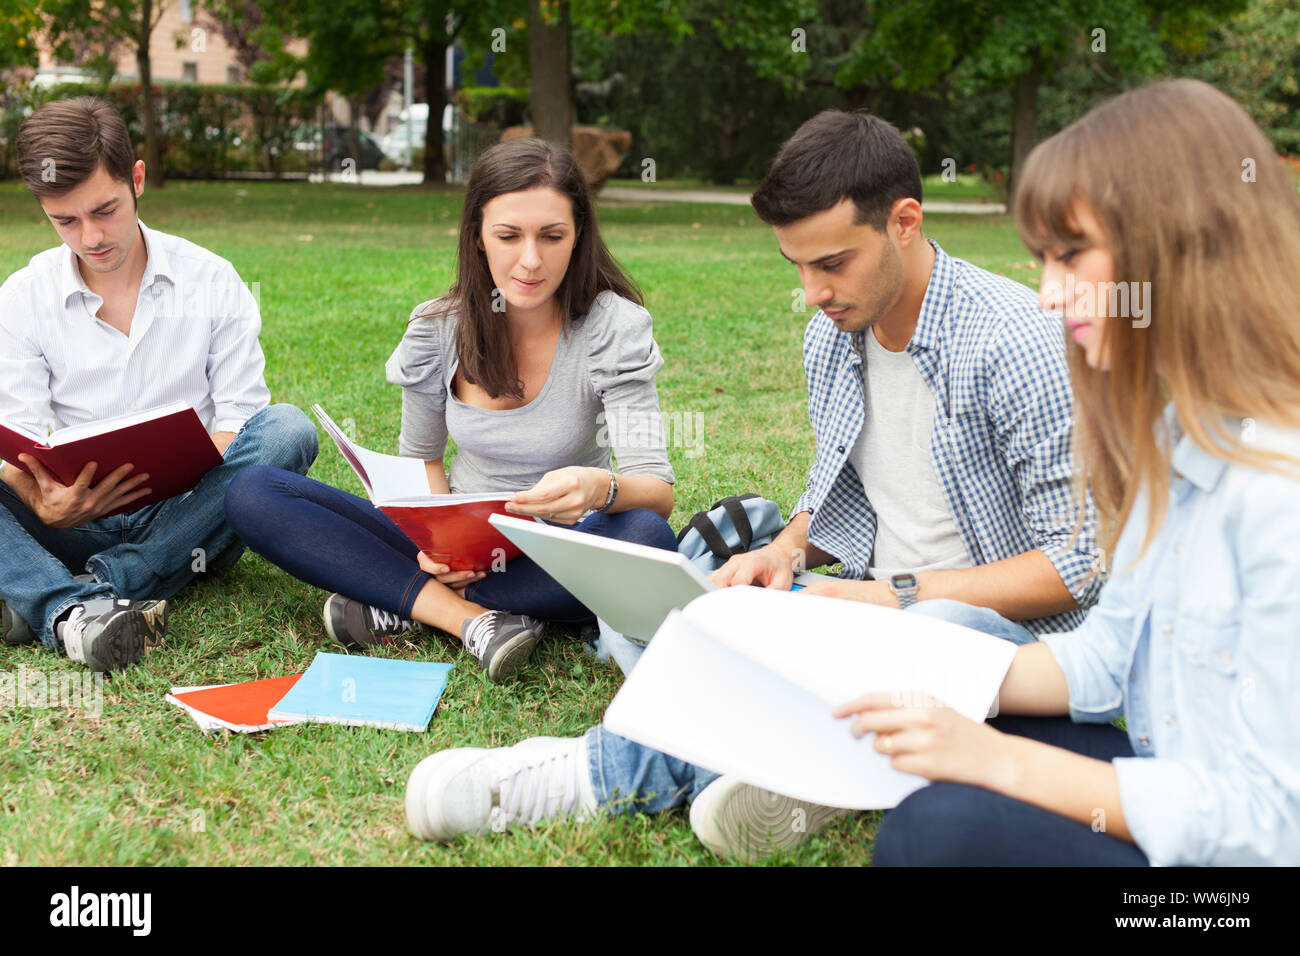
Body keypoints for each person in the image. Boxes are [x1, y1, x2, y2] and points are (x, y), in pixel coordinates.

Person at [402, 109, 1105, 849]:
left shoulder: (1016, 342)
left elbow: (1078, 566)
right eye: (795, 267)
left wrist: (883, 597)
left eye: (831, 264)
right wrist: (787, 552)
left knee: (924, 629)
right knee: (678, 601)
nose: (811, 292)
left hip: (991, 634)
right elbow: (853, 488)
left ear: (904, 222)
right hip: (855, 605)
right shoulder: (832, 337)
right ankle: (807, 760)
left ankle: (585, 776)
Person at [223, 137, 677, 682]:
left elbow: (655, 491)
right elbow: (421, 464)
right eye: (508, 236)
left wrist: (597, 487)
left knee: (646, 536)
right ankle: (465, 617)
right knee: (252, 493)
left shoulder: (614, 328)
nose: (530, 260)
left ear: (578, 236)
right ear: (478, 238)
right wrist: (443, 547)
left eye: (552, 236)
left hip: (564, 545)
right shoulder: (437, 329)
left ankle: (403, 601)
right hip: (458, 537)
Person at [0, 97, 318, 672]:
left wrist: (191, 473)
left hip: (192, 516)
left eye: (105, 210)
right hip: (76, 518)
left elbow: (243, 418)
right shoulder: (24, 296)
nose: (91, 237)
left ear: (137, 179)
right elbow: (17, 436)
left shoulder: (211, 278)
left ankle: (82, 591)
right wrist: (40, 500)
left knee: (288, 430)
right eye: (65, 221)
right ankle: (72, 612)